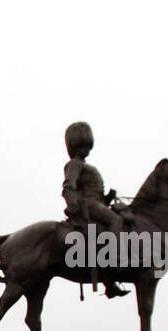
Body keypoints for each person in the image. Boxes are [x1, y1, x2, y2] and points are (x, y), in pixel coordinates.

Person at [62, 121, 129, 298]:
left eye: (88, 146)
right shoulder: (75, 164)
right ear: (75, 146)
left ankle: (109, 282)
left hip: (96, 204)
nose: (87, 149)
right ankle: (114, 260)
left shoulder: (86, 166)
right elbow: (69, 187)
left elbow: (95, 195)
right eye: (83, 145)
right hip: (88, 206)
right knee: (116, 220)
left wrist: (108, 197)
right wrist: (74, 207)